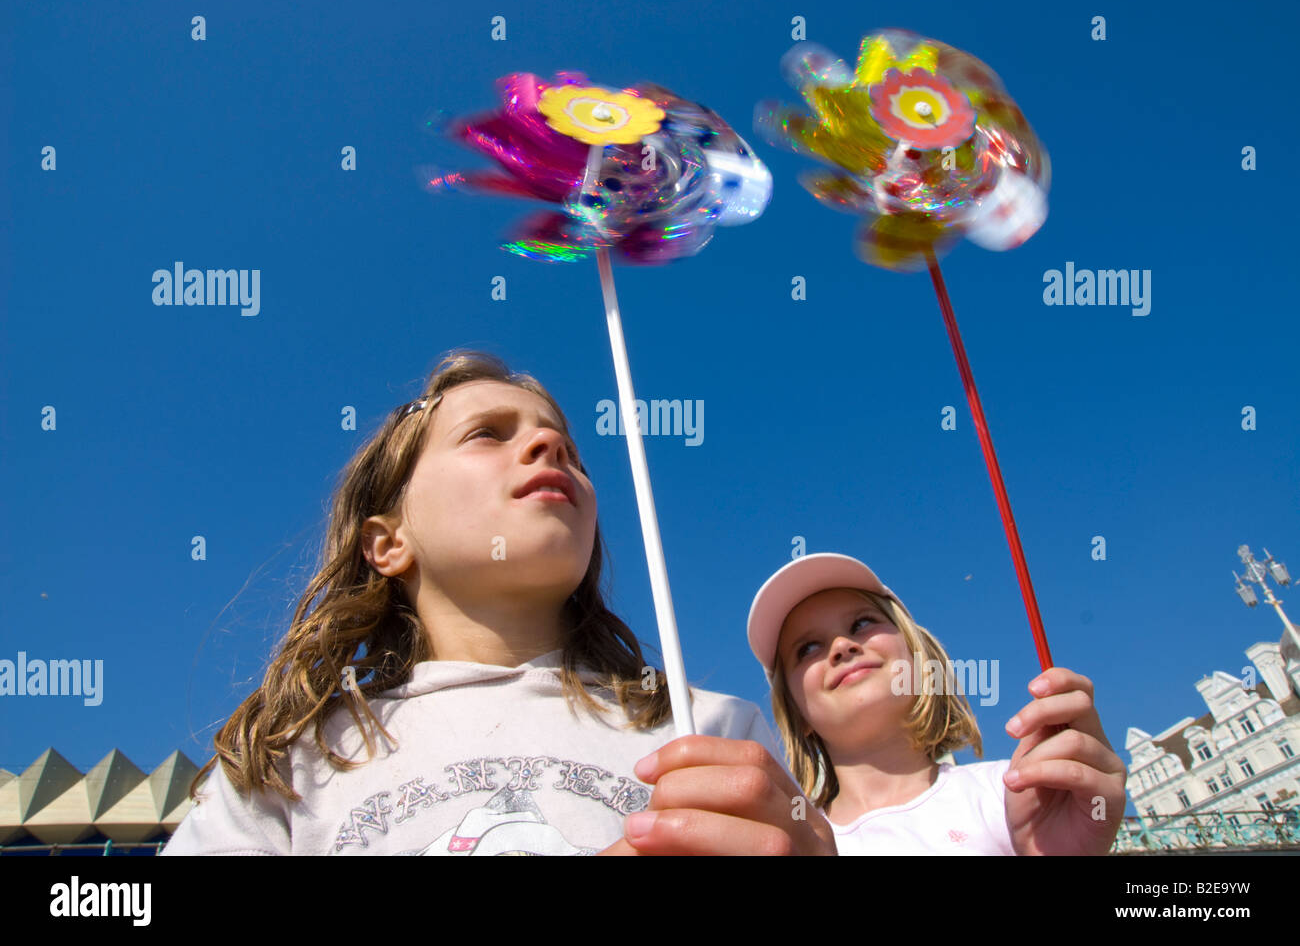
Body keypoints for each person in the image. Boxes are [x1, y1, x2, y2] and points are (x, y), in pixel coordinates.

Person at [162, 349, 833, 856]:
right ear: (387, 541)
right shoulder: (294, 757)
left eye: (568, 448)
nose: (552, 446)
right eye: (487, 433)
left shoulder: (710, 732)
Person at [746, 552, 1126, 855]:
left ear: (919, 659)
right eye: (807, 648)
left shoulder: (1014, 794)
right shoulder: (790, 841)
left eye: (862, 623)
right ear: (797, 714)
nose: (842, 646)